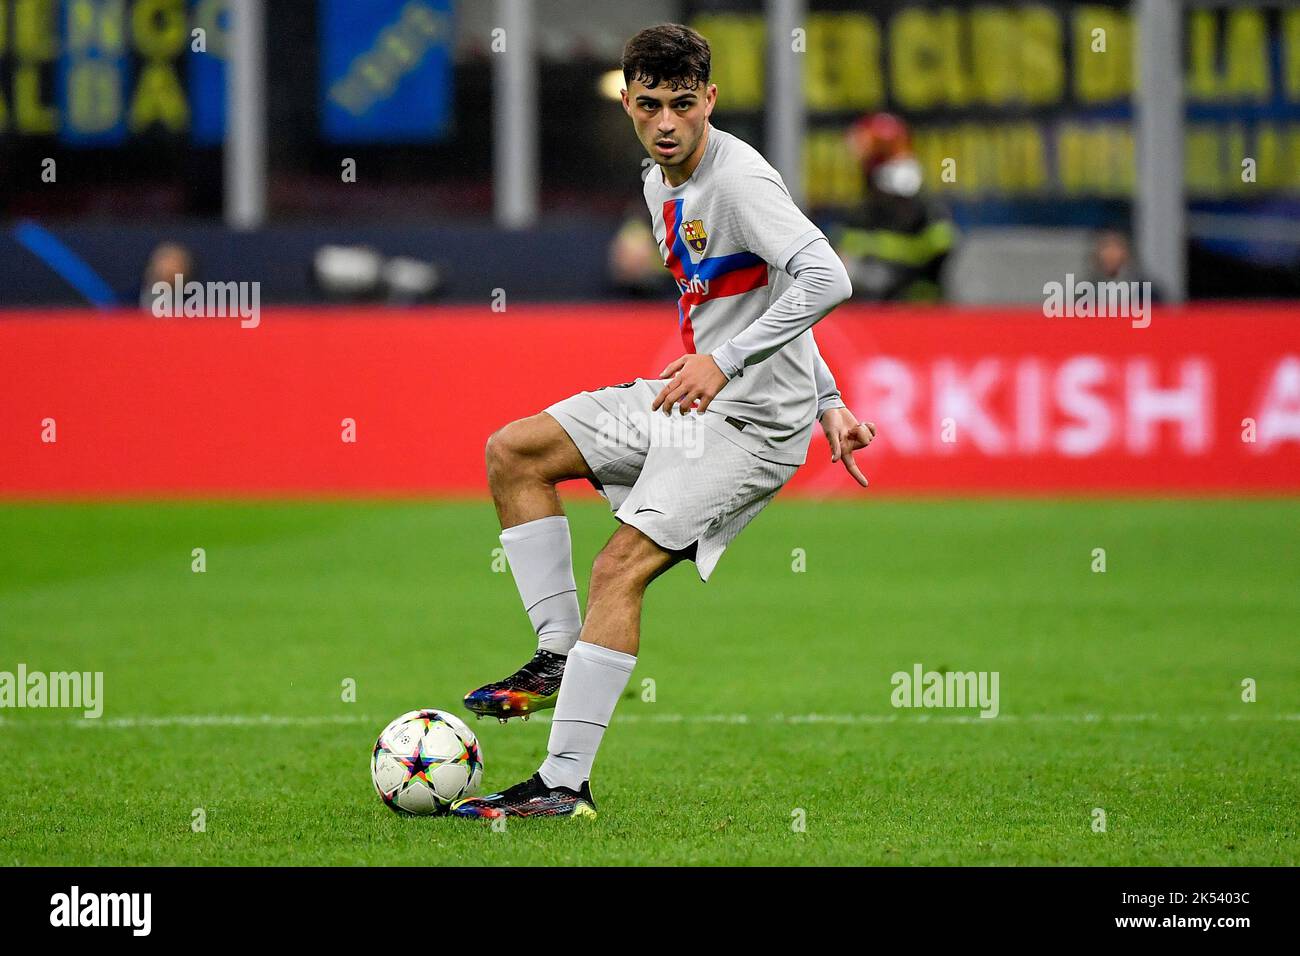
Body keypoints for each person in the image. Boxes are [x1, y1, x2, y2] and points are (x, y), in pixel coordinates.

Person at [451, 23, 876, 819]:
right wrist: (829, 398)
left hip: (749, 428)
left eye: (684, 103)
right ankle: (553, 657)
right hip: (694, 400)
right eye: (650, 105)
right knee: (515, 451)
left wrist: (740, 368)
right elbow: (770, 292)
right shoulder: (657, 185)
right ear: (630, 106)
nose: (668, 121)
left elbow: (826, 274)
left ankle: (561, 787)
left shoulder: (741, 181)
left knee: (620, 568)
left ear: (709, 99)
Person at [832, 112, 955, 302]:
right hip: (872, 310)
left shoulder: (925, 212)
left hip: (918, 309)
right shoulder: (861, 215)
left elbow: (939, 257)